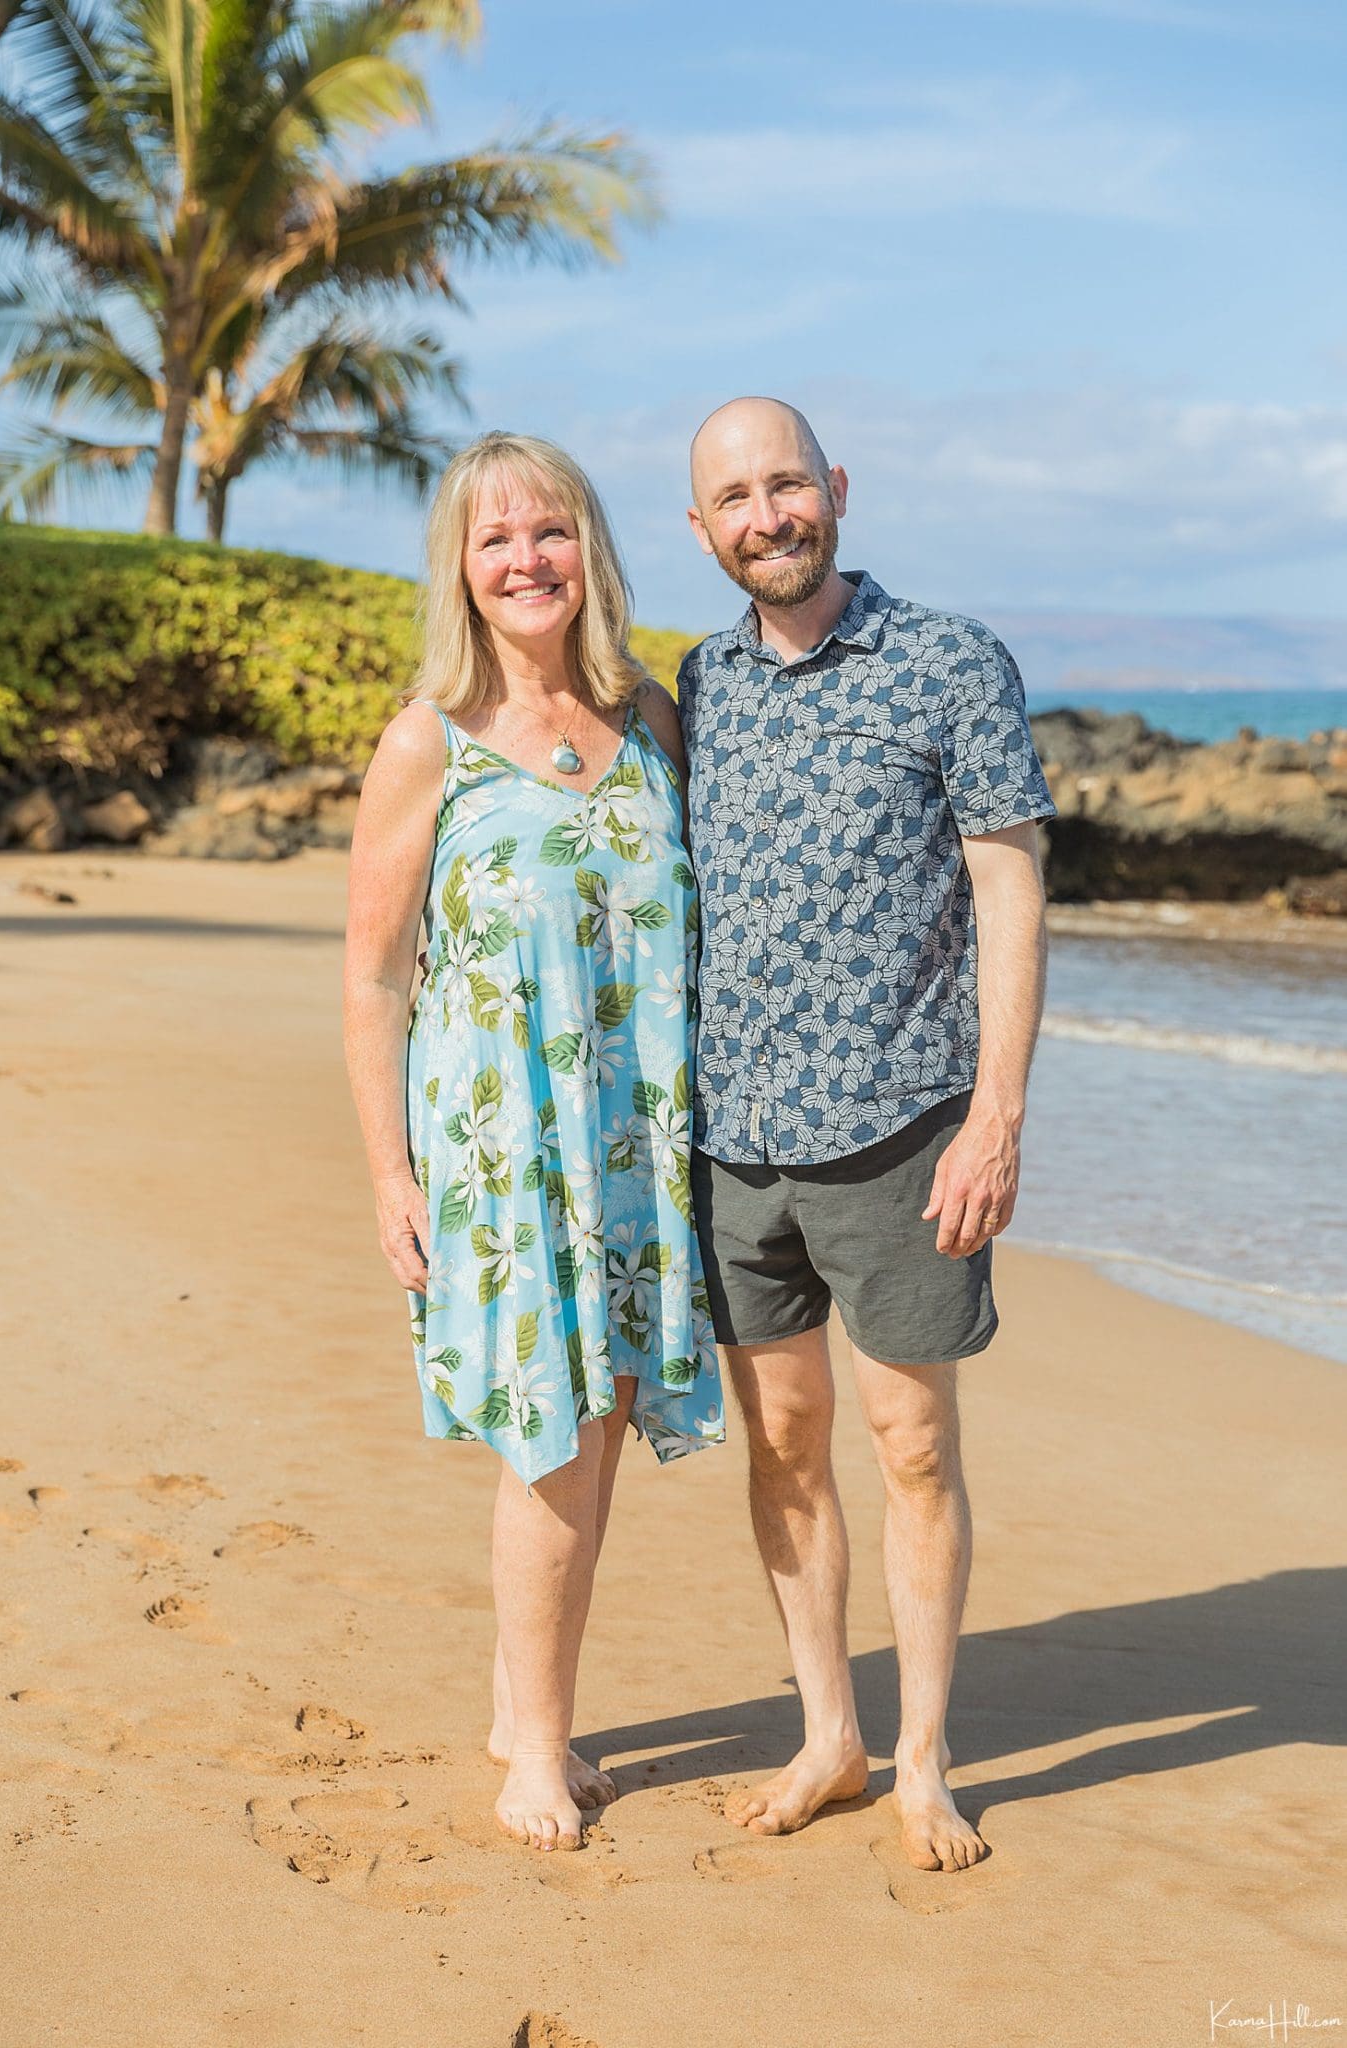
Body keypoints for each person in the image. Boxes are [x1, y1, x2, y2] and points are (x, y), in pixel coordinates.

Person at [677, 396, 1057, 1872]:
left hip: (903, 1130)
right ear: (699, 529)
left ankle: (921, 1761)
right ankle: (829, 1733)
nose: (767, 515)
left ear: (834, 488)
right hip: (730, 1137)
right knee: (781, 1445)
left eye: (788, 483)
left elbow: (1008, 891)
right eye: (735, 498)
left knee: (907, 1444)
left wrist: (995, 1119)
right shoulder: (694, 686)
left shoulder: (949, 662)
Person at [343, 431, 722, 1854]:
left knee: (600, 1417)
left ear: (590, 547)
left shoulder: (651, 719)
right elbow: (376, 980)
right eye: (495, 539)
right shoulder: (425, 736)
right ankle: (538, 1754)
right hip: (505, 1154)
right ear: (460, 565)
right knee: (550, 1434)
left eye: (548, 531)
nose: (525, 560)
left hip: (640, 1140)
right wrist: (390, 1175)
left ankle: (520, 1704)